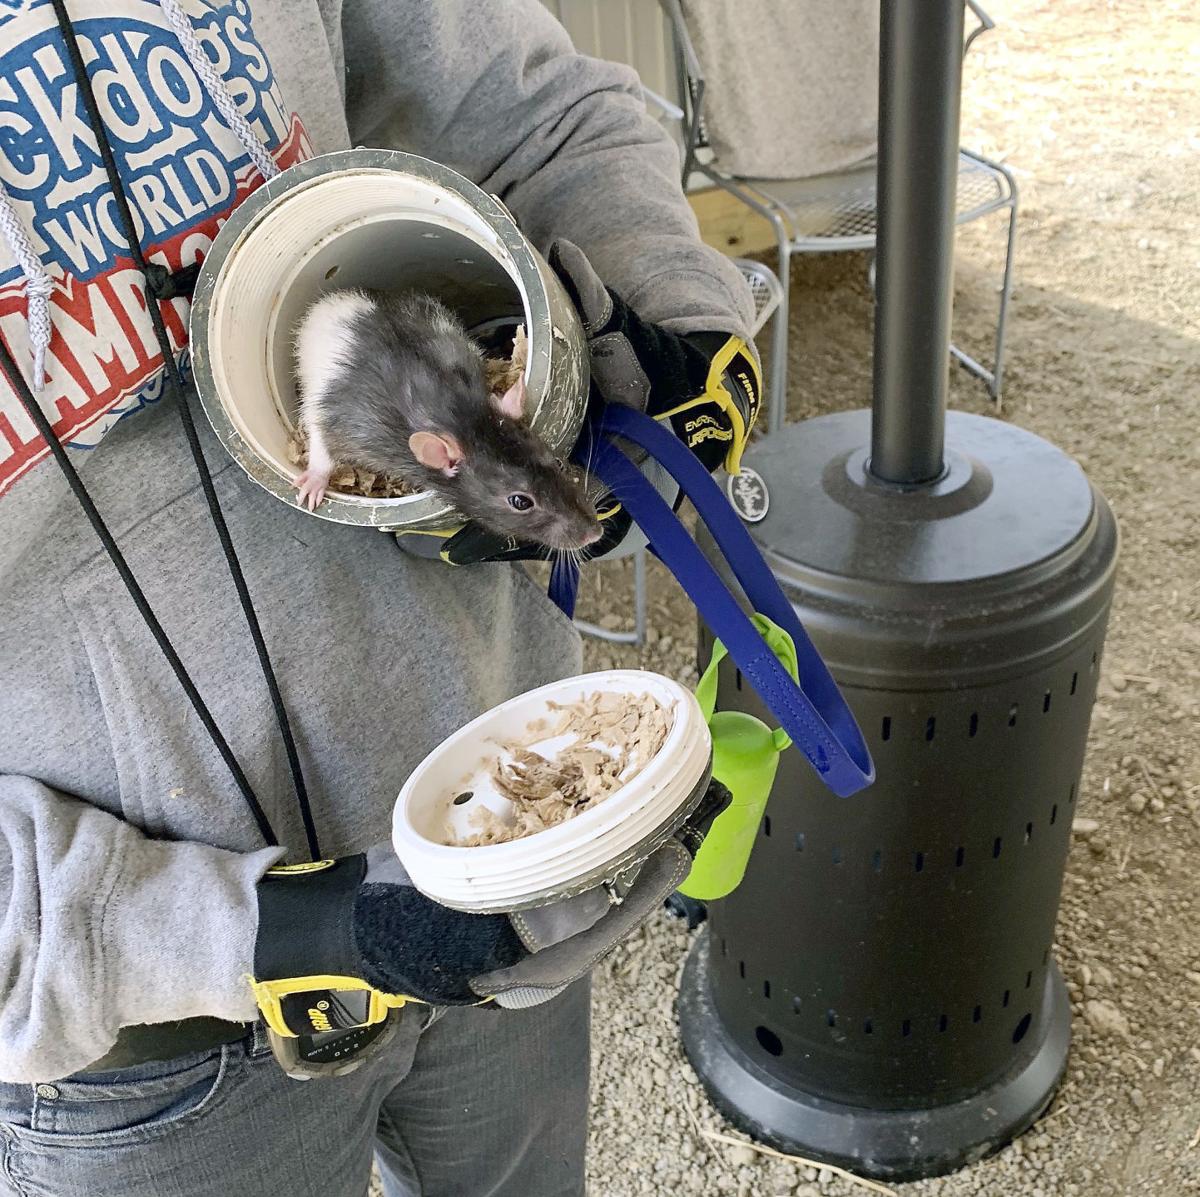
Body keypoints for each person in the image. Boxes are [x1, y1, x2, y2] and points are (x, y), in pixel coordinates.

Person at [0, 2, 758, 1194]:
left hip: (504, 835)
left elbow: (540, 121)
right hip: (146, 1050)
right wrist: (261, 936)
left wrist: (673, 317)